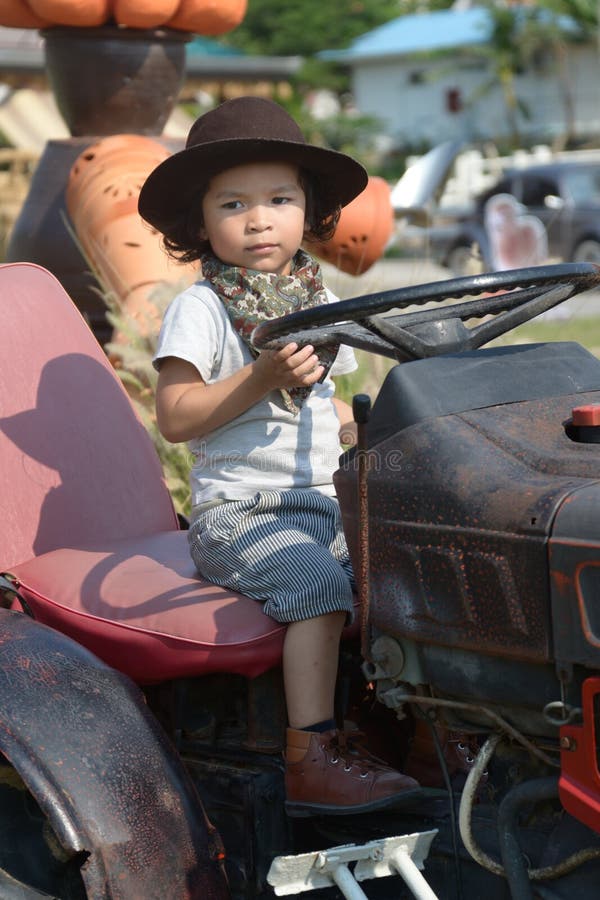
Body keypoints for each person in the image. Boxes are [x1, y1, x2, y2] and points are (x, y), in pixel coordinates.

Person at [138, 96, 420, 816]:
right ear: (199, 225)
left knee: (416, 568)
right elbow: (175, 417)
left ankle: (425, 730)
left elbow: (327, 410)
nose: (258, 218)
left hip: (319, 503)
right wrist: (260, 375)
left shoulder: (315, 298)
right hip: (239, 515)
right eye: (233, 204)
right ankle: (312, 757)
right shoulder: (202, 309)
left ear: (309, 211)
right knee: (320, 586)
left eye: (278, 199)